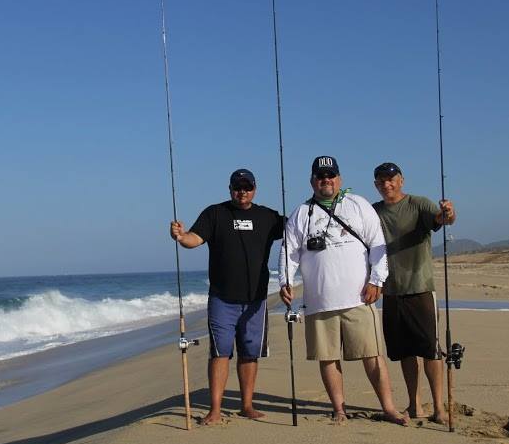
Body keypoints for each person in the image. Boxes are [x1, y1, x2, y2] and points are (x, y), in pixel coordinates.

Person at [279, 156, 407, 425]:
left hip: (359, 298)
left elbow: (378, 245)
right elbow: (289, 252)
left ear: (339, 179)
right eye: (320, 176)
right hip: (319, 301)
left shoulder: (358, 204)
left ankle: (389, 408)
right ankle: (339, 409)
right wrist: (285, 281)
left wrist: (377, 280)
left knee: (372, 355)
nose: (326, 180)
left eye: (331, 175)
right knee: (327, 358)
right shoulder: (301, 213)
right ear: (312, 181)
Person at [170, 168, 284, 425]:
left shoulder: (268, 217)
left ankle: (247, 405)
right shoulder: (215, 213)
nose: (242, 192)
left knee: (250, 353)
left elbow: (298, 228)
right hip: (222, 299)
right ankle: (215, 409)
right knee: (220, 352)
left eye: (247, 187)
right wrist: (180, 236)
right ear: (230, 188)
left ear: (254, 189)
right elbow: (193, 239)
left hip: (256, 300)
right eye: (237, 187)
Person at [372, 162, 457, 424]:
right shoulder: (373, 211)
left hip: (421, 289)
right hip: (391, 293)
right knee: (405, 351)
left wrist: (448, 213)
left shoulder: (418, 204)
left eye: (391, 179)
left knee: (430, 351)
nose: (387, 184)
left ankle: (439, 408)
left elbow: (442, 220)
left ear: (401, 180)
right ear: (376, 185)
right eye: (381, 180)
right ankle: (413, 404)